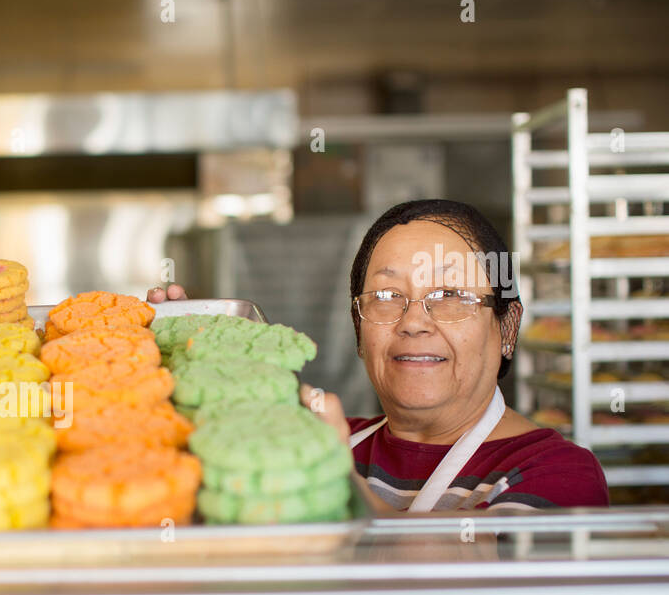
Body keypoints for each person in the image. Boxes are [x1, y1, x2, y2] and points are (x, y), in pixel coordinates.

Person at [149, 199, 609, 512]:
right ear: (358, 327)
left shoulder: (560, 472)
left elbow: (460, 583)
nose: (413, 321)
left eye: (450, 295)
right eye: (387, 295)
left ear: (506, 327)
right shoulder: (317, 440)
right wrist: (180, 371)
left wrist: (334, 478)